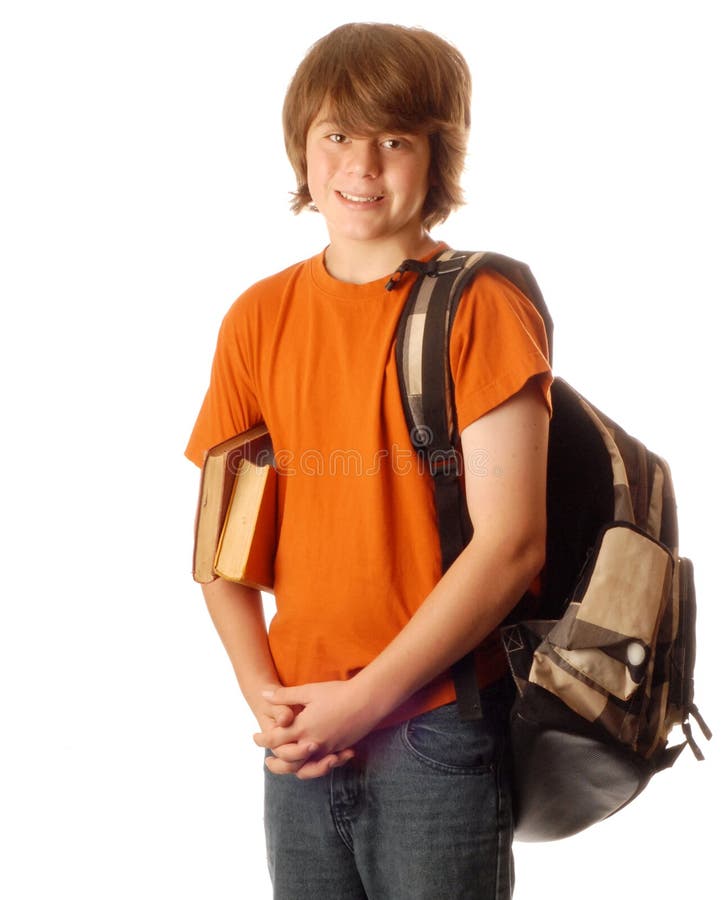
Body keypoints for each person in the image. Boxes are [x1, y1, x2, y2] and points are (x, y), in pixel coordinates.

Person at [185, 22, 551, 900]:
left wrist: (367, 699)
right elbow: (221, 547)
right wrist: (267, 700)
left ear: (438, 158)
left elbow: (512, 545)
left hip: (436, 727)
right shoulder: (257, 318)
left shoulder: (482, 305)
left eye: (396, 140)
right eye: (338, 135)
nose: (362, 166)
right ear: (303, 148)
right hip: (302, 729)